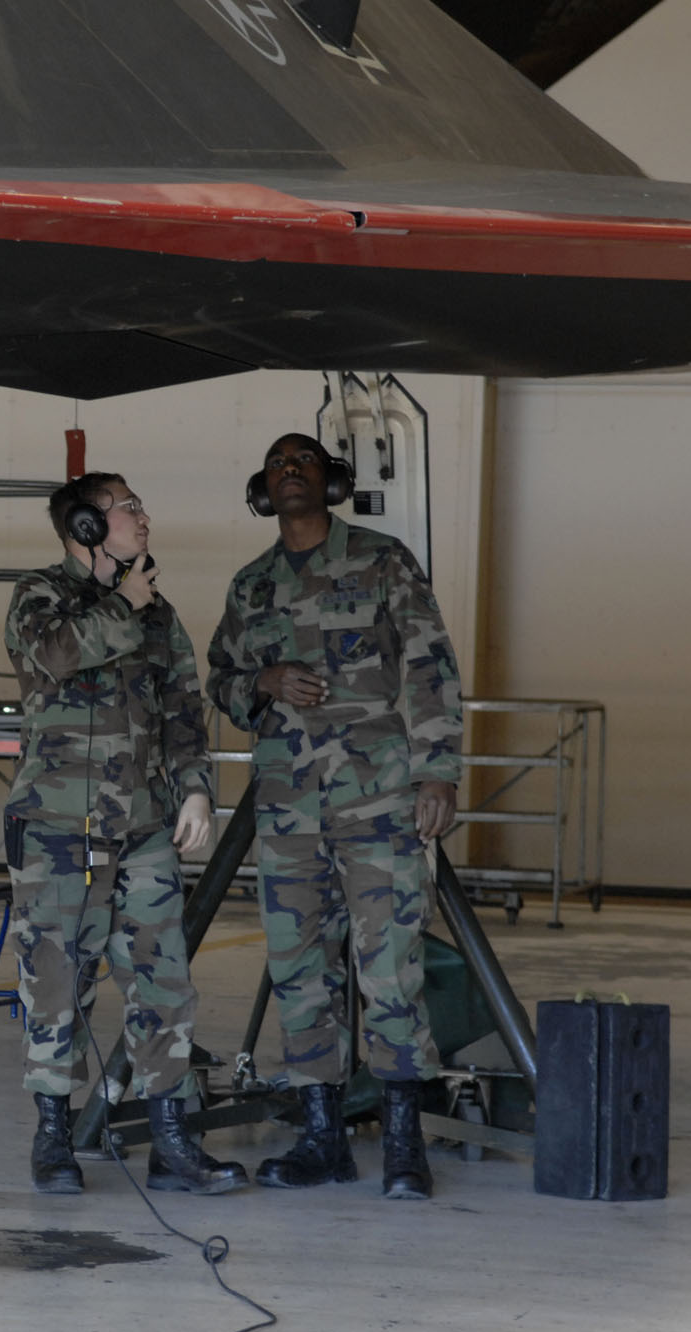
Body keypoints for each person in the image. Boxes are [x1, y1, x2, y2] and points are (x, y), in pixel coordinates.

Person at [207, 433, 463, 1200]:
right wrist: (264, 680)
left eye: (304, 462)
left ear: (332, 482)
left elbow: (430, 667)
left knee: (390, 967)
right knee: (298, 969)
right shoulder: (250, 585)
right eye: (278, 465)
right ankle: (322, 1136)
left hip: (378, 800)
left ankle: (403, 1145)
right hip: (288, 808)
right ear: (264, 488)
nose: (290, 472)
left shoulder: (384, 562)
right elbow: (219, 682)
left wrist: (439, 771)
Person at [3, 472, 248, 1197]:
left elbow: (182, 709)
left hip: (141, 827)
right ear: (84, 527)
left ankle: (172, 1142)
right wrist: (122, 604)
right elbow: (51, 656)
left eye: (142, 504)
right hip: (56, 831)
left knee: (163, 983)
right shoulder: (39, 595)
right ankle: (54, 1139)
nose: (145, 517)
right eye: (129, 508)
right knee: (55, 985)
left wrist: (197, 788)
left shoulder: (158, 614)